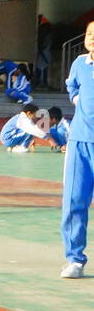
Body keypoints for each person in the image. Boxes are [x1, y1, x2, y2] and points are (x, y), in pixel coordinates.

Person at [60, 21, 94, 278]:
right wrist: (75, 98)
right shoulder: (80, 64)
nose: (92, 38)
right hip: (80, 141)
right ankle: (75, 259)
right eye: (90, 34)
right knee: (74, 200)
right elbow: (71, 85)